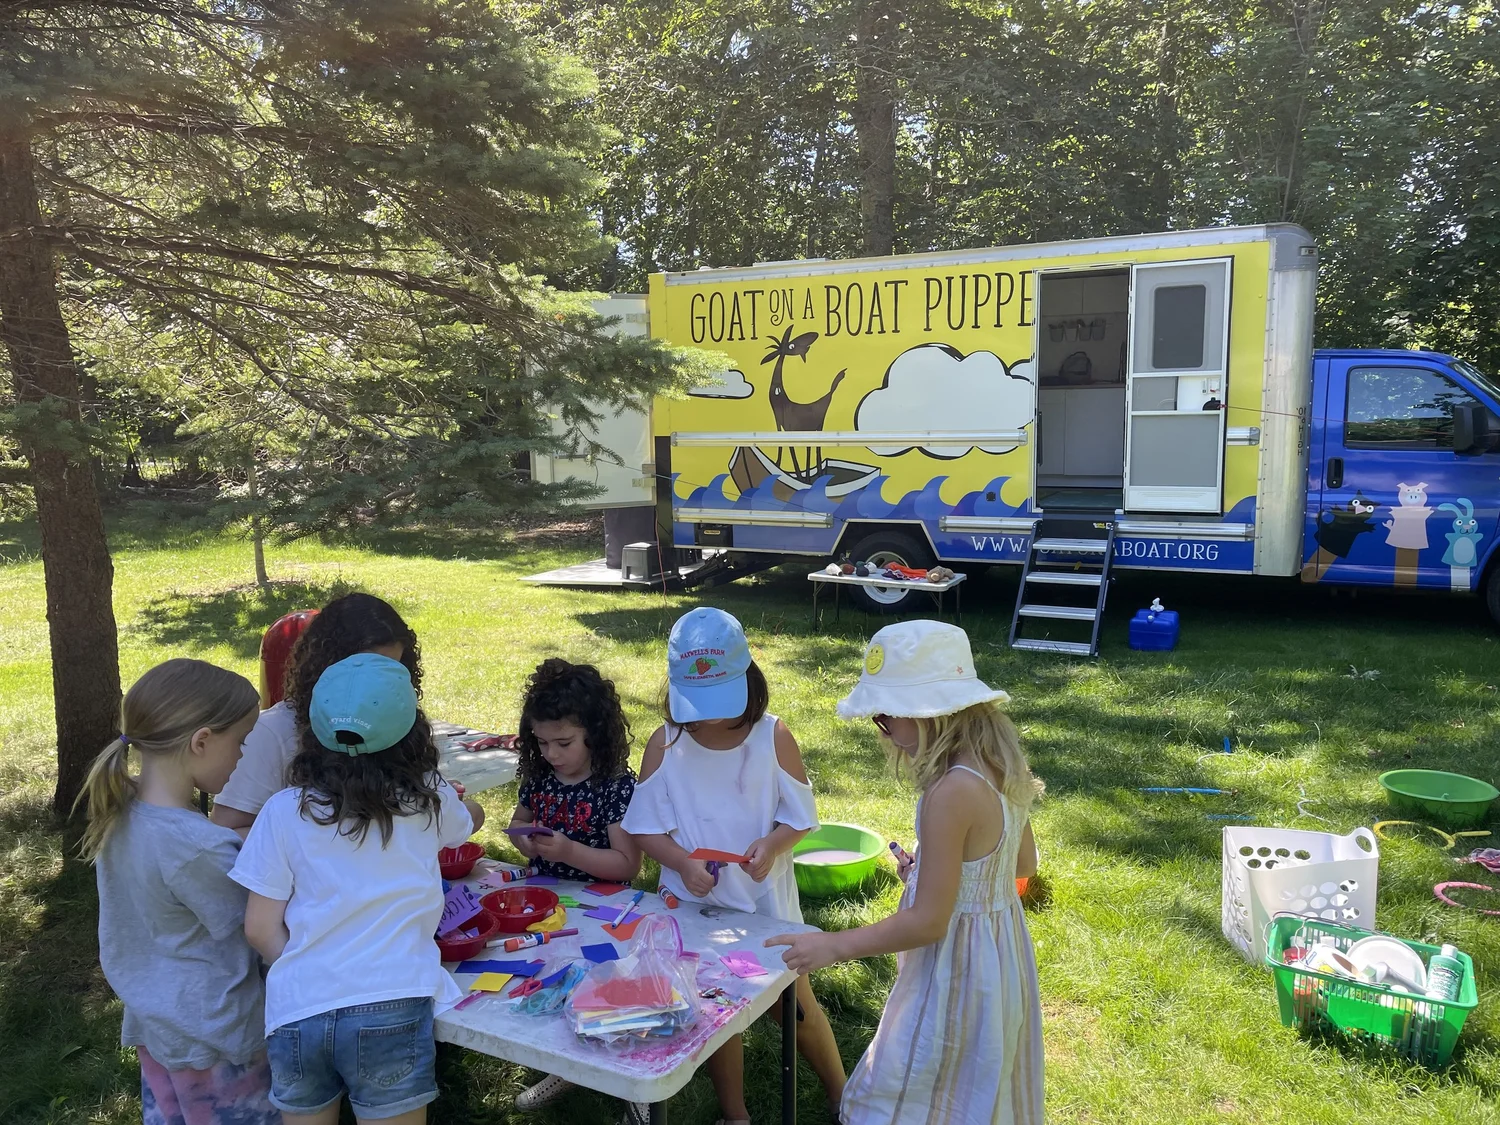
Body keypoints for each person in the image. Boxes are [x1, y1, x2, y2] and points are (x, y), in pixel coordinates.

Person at [766, 620, 1044, 1125]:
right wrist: (930, 872)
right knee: (973, 1082)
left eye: (886, 716)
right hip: (998, 960)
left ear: (928, 711)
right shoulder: (1000, 762)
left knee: (907, 1078)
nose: (884, 728)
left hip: (954, 967)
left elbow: (929, 924)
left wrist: (832, 945)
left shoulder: (950, 792)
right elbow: (1021, 865)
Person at [230, 653, 477, 1125]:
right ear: (413, 732)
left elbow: (260, 929)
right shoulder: (429, 797)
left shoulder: (282, 811)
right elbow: (464, 827)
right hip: (393, 999)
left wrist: (313, 966)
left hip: (298, 1006)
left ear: (313, 734)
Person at [623, 607, 846, 1125]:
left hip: (763, 903)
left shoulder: (773, 737)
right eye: (696, 705)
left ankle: (842, 1092)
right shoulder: (667, 743)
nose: (707, 719)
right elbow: (643, 828)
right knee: (717, 1010)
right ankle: (735, 1113)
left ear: (750, 681)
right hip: (692, 903)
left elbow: (801, 820)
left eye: (719, 703)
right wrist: (680, 861)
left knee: (795, 1005)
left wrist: (771, 845)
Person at [77, 658, 279, 1125]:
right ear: (202, 741)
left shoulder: (122, 813)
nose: (244, 757)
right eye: (242, 742)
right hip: (218, 1036)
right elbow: (256, 925)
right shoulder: (199, 846)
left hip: (161, 1025)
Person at [211, 592, 482, 836]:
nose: (383, 687)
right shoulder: (271, 733)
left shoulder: (390, 728)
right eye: (369, 670)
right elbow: (227, 833)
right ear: (326, 667)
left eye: (393, 671)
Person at [507, 659, 643, 1114]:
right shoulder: (540, 777)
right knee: (555, 988)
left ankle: (632, 1086)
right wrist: (527, 843)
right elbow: (519, 824)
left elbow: (626, 864)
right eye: (542, 742)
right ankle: (566, 1066)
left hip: (608, 912)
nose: (552, 754)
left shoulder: (614, 786)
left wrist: (568, 853)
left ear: (594, 734)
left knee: (609, 996)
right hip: (551, 908)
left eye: (564, 743)